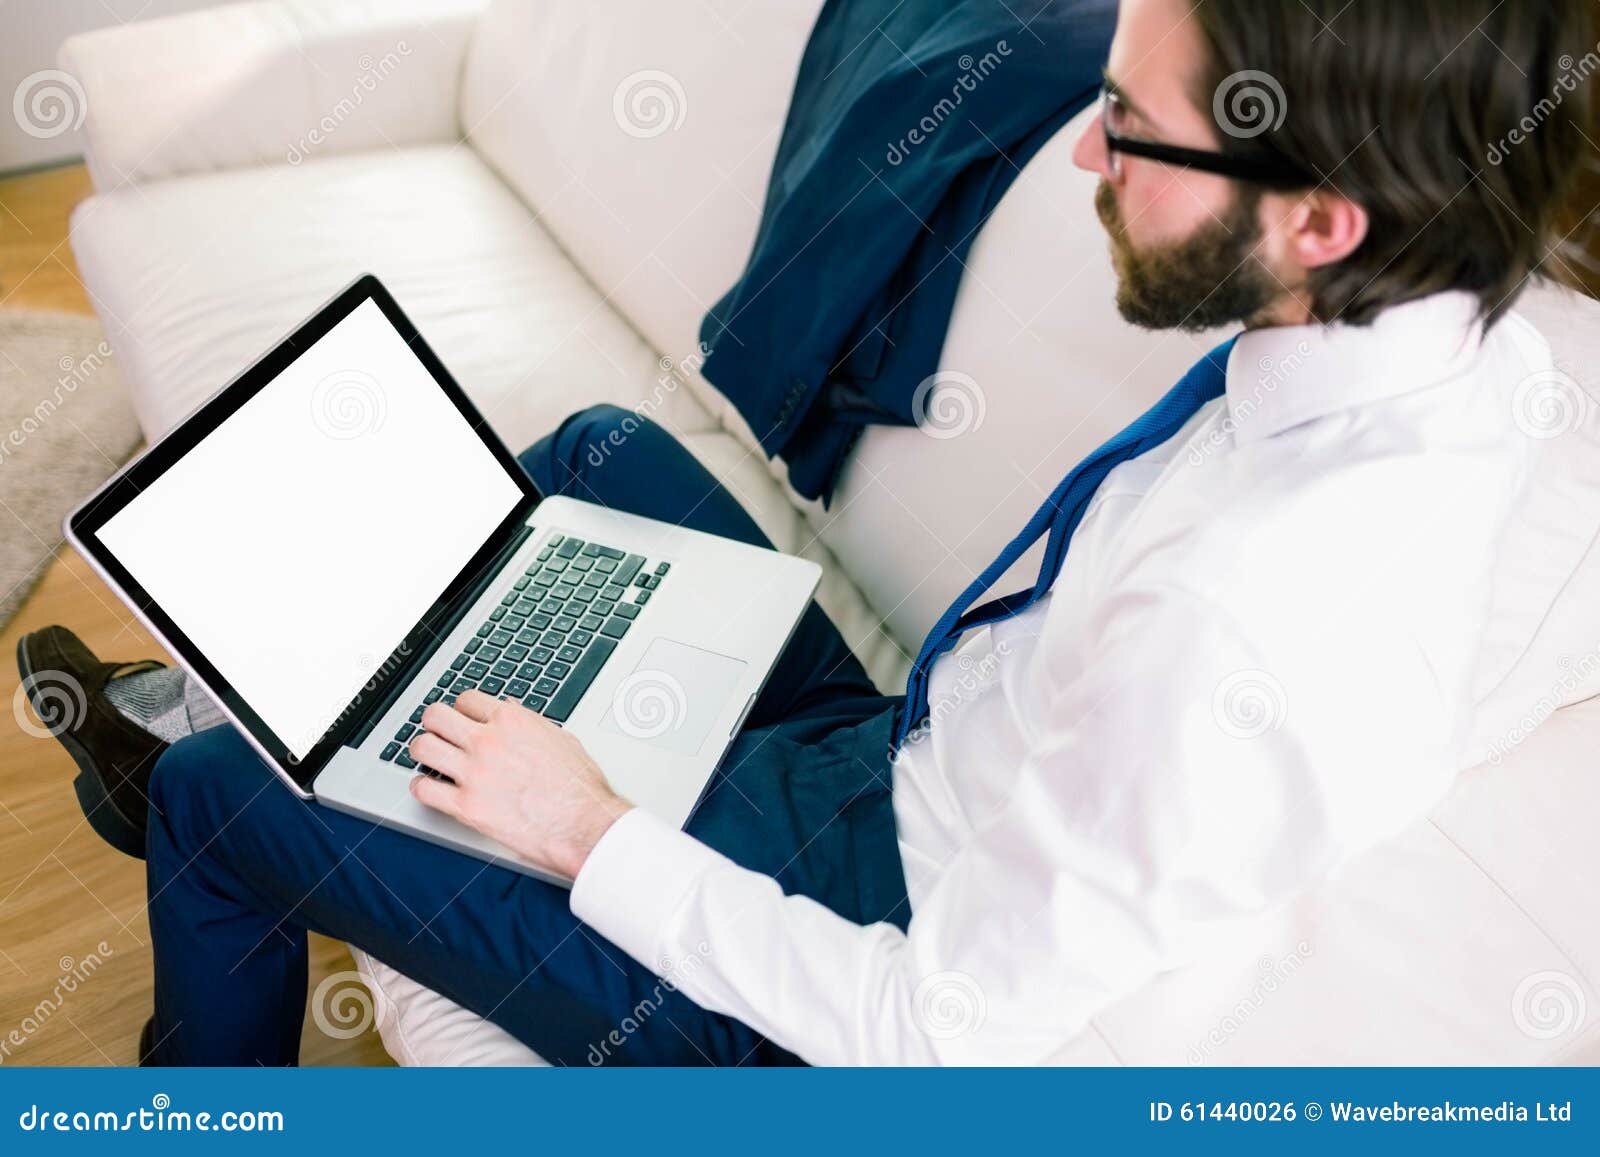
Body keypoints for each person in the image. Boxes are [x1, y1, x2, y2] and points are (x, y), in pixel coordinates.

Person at [20, 0, 1594, 1064]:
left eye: (1130, 124)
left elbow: (922, 1040)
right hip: (903, 759)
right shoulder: (1456, 338)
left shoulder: (1247, 622)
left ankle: (205, 855)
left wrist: (587, 824)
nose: (1082, 154)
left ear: (1324, 222)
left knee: (222, 806)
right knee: (603, 449)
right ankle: (293, 692)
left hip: (807, 987)